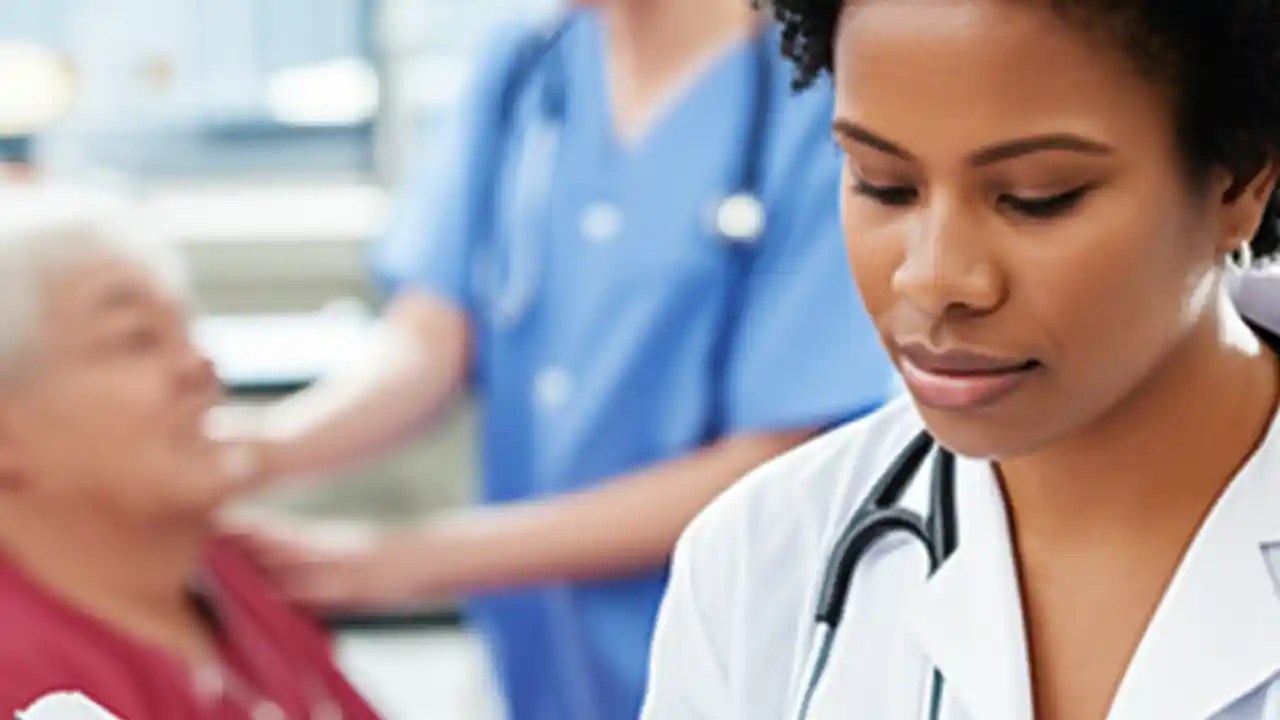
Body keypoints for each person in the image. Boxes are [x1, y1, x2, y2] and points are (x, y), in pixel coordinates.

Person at [229, 0, 896, 717]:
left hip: (732, 659)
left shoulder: (817, 98)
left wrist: (411, 561)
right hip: (537, 666)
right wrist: (258, 449)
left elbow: (778, 461)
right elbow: (431, 335)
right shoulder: (527, 67)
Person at [642, 1, 1280, 719]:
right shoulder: (755, 562)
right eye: (883, 183)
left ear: (1240, 181)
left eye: (1036, 198)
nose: (932, 280)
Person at [0, 189, 382, 719]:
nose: (200, 367)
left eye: (185, 331)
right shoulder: (21, 675)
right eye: (136, 340)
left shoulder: (236, 574)